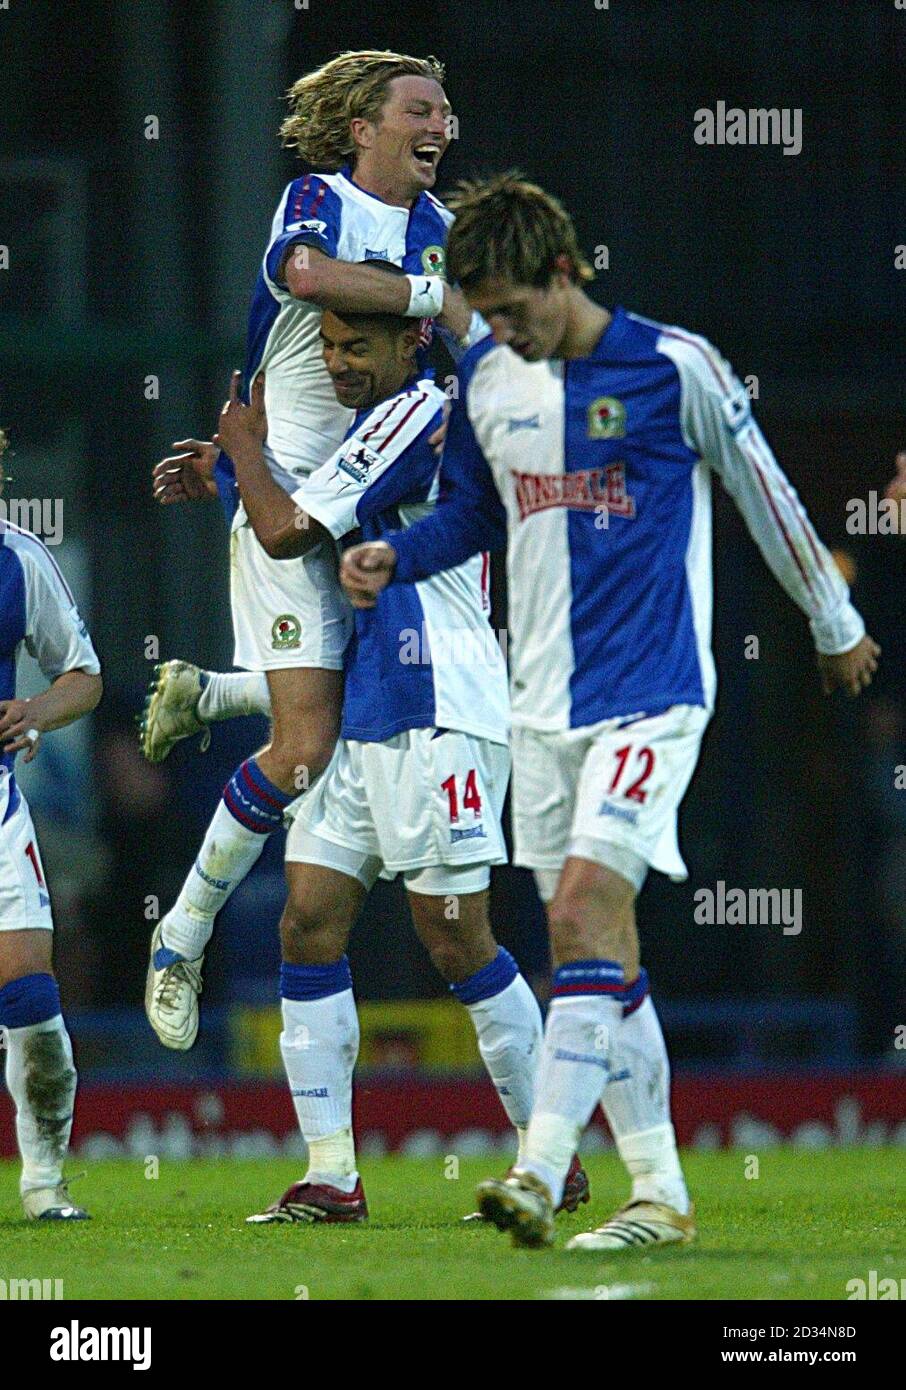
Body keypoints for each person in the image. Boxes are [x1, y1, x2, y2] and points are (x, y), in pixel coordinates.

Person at [340, 173, 880, 1251]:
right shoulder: (490, 380)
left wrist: (833, 623)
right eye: (481, 316)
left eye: (511, 310)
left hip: (653, 693)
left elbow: (763, 486)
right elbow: (473, 516)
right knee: (602, 950)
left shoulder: (675, 366)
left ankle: (538, 1170)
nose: (497, 332)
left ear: (564, 272)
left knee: (585, 905)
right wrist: (400, 552)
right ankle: (659, 1195)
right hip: (540, 708)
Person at [212, 280, 586, 1223]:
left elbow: (287, 527)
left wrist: (243, 451)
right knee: (308, 920)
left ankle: (556, 1155)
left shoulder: (420, 413)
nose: (338, 362)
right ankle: (332, 1173)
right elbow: (290, 508)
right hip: (371, 707)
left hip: (439, 706)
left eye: (356, 348)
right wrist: (226, 471)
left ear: (413, 345)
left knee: (456, 935)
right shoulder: (372, 426)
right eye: (329, 347)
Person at [143, 51, 484, 1051]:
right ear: (362, 128)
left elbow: (482, 337)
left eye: (447, 111)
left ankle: (213, 692)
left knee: (351, 694)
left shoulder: (444, 233)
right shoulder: (315, 200)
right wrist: (433, 299)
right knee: (305, 750)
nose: (440, 125)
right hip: (278, 501)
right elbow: (306, 276)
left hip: (370, 505)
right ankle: (183, 932)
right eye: (420, 107)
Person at [0, 428, 103, 1219]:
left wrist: (34, 710)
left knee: (33, 1000)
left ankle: (44, 1184)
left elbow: (85, 676)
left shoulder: (19, 558)